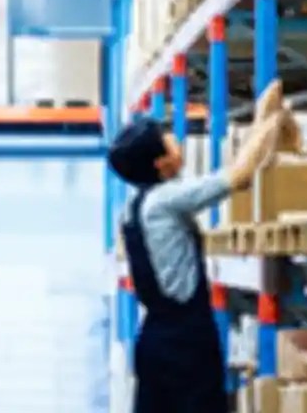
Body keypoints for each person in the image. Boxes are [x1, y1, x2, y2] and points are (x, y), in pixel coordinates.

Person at [108, 111, 288, 413]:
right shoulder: (165, 200)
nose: (178, 142)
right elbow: (239, 175)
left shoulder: (133, 207)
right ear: (161, 163)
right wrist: (270, 121)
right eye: (170, 142)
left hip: (155, 338)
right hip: (185, 343)